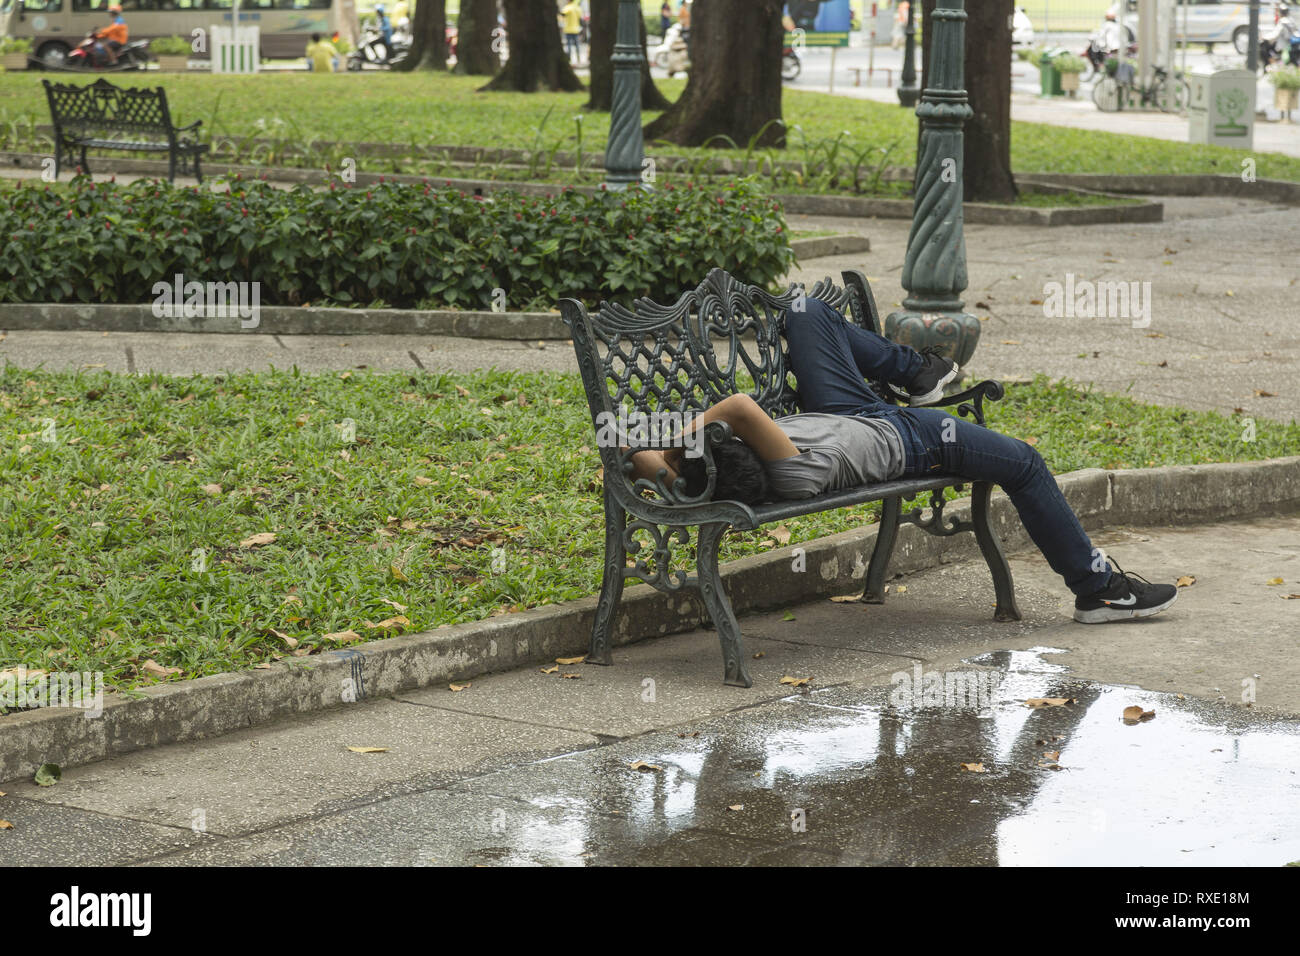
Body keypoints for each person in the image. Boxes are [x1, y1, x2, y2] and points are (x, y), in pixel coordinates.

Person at [627, 299, 1179, 625]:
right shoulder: (792, 473)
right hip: (915, 437)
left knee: (805, 310)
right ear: (746, 447)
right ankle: (1098, 588)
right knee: (1026, 464)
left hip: (849, 413)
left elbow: (635, 458)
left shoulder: (756, 463)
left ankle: (919, 372)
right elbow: (740, 409)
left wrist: (664, 464)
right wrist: (684, 440)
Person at [561, 0, 583, 65]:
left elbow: (563, 14)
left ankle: (569, 59)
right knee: (577, 45)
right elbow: (580, 18)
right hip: (576, 29)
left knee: (569, 46)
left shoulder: (568, 7)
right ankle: (578, 59)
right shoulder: (577, 8)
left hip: (568, 29)